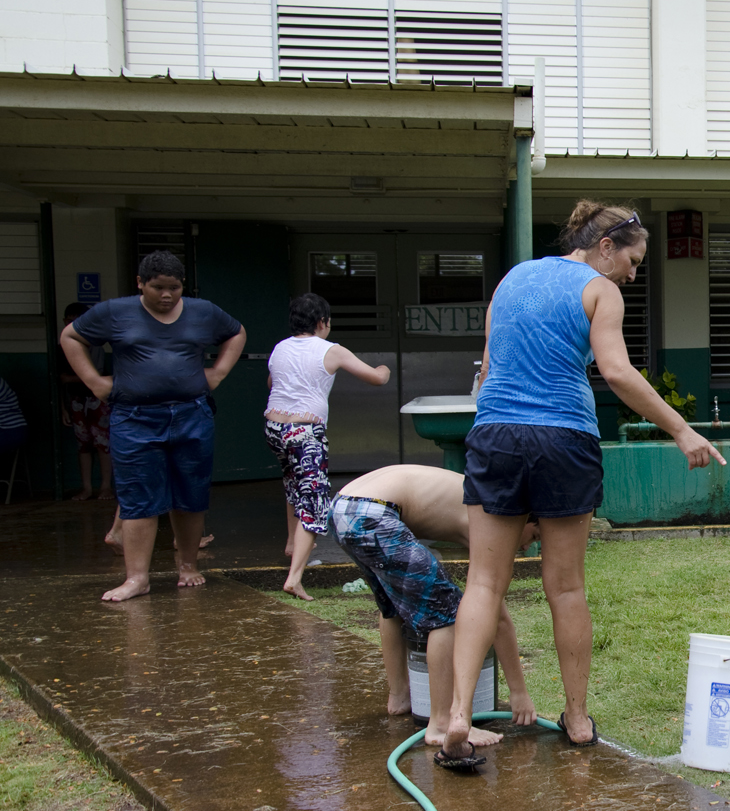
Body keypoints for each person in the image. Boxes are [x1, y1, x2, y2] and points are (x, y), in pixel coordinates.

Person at [437, 201, 726, 769]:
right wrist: (682, 430)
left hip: (494, 433)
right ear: (605, 247)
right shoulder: (600, 290)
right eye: (634, 260)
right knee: (564, 587)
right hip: (562, 438)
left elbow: (490, 366)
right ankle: (575, 718)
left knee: (483, 584)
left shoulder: (512, 278)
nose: (634, 274)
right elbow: (615, 371)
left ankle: (457, 717)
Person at [59, 251, 247, 602]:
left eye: (174, 288)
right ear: (140, 284)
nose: (166, 295)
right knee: (137, 497)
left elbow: (236, 333)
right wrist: (94, 382)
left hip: (192, 414)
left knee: (191, 494)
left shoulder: (202, 311)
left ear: (182, 287)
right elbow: (71, 337)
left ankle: (188, 566)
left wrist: (218, 373)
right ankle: (137, 578)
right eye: (158, 287)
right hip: (134, 417)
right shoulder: (116, 311)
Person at [328, 465, 538, 762]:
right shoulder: (494, 518)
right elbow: (496, 617)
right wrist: (519, 693)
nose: (530, 544)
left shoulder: (481, 505)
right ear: (524, 517)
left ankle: (399, 697)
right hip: (372, 513)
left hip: (342, 509)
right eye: (534, 532)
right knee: (450, 613)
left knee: (392, 606)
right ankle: (440, 724)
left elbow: (491, 606)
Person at [267, 292, 391, 601]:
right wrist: (385, 369)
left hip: (273, 426)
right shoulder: (331, 350)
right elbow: (375, 378)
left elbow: (272, 384)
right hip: (304, 431)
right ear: (323, 322)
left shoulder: (280, 347)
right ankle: (294, 578)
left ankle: (293, 544)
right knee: (315, 502)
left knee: (294, 484)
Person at [58, 302, 113, 500]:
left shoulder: (94, 343)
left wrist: (70, 379)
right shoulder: (63, 344)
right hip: (76, 399)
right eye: (71, 321)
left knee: (102, 443)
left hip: (97, 399)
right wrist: (63, 406)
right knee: (83, 444)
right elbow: (59, 380)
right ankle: (87, 488)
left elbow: (96, 374)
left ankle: (105, 487)